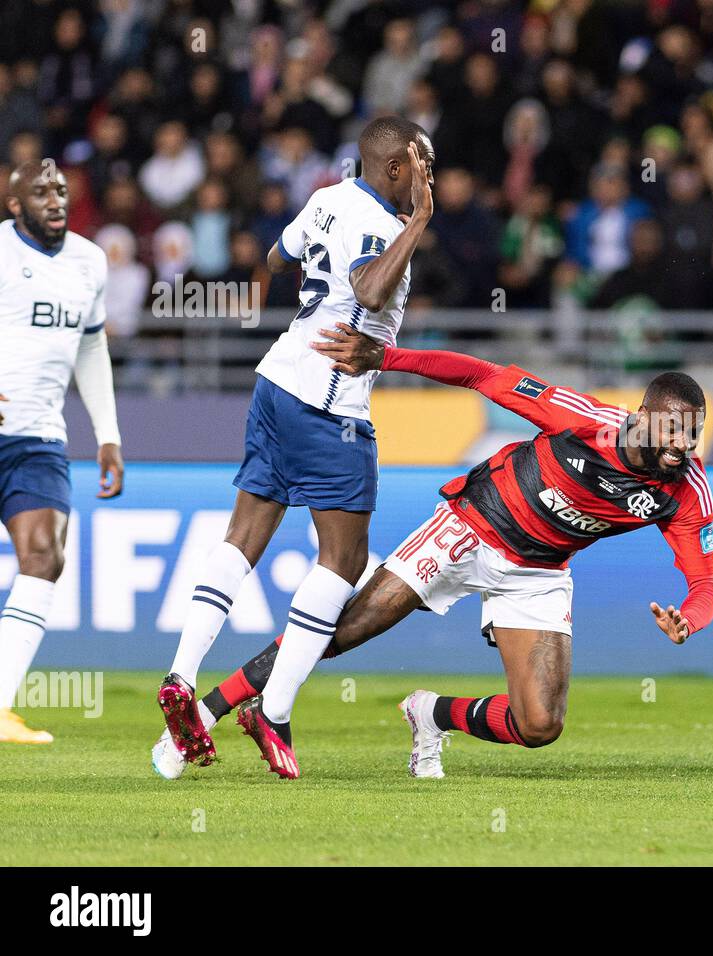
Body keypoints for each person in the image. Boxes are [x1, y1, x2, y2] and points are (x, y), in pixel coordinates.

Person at [157, 329, 713, 780]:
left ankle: (429, 713)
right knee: (347, 628)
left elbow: (706, 585)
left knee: (541, 724)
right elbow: (480, 374)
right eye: (670, 431)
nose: (681, 447)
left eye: (690, 435)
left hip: (539, 570)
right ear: (641, 414)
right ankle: (207, 711)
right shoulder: (582, 419)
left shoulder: (685, 492)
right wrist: (387, 357)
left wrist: (688, 621)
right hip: (473, 524)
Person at [151, 117, 435, 774]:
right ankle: (272, 709)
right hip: (329, 405)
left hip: (275, 382)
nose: (428, 176)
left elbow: (278, 258)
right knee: (343, 562)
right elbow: (368, 289)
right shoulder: (386, 227)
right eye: (421, 164)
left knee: (241, 538)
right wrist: (418, 222)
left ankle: (180, 673)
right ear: (395, 168)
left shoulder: (326, 199)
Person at [0, 161, 124, 744]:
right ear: (14, 203)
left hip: (39, 441)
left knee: (45, 557)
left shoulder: (89, 261)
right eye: (41, 192)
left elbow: (91, 348)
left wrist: (108, 434)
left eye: (62, 191)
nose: (56, 200)